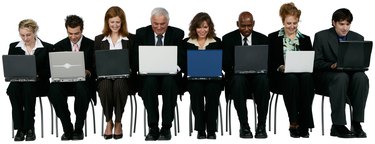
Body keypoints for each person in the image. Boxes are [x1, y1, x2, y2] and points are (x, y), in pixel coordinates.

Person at [313, 8, 368, 138]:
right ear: (333, 23)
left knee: (362, 77)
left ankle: (356, 123)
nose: (345, 28)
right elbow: (316, 63)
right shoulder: (321, 36)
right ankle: (338, 125)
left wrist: (361, 65)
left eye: (348, 24)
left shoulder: (358, 37)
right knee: (341, 77)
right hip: (327, 76)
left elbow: (359, 61)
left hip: (351, 75)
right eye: (341, 24)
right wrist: (332, 65)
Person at [135, 7, 184, 141]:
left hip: (170, 74)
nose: (159, 27)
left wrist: (175, 67)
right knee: (149, 82)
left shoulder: (177, 34)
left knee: (169, 83)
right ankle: (153, 127)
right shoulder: (141, 33)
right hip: (149, 74)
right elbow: (135, 58)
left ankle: (166, 127)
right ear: (151, 22)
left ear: (168, 22)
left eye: (162, 24)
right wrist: (143, 67)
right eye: (155, 24)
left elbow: (182, 58)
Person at [268, 2, 314, 138]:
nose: (292, 26)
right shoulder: (273, 38)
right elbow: (269, 62)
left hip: (303, 76)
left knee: (307, 79)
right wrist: (280, 66)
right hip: (282, 78)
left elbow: (310, 61)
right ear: (283, 21)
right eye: (289, 23)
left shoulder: (305, 39)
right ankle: (294, 122)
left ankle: (304, 123)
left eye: (295, 23)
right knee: (291, 78)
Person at [222, 11, 269, 139]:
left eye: (249, 25)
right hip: (238, 80)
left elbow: (267, 63)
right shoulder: (227, 39)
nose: (246, 29)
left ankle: (261, 125)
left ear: (253, 24)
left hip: (257, 79)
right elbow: (225, 65)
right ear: (238, 24)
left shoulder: (263, 39)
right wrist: (238, 68)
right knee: (238, 80)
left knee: (263, 79)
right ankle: (244, 126)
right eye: (243, 26)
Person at [48, 15, 95, 141]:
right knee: (53, 88)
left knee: (81, 87)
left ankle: (78, 128)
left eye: (76, 33)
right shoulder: (59, 46)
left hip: (83, 83)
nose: (73, 37)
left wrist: (88, 71)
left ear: (82, 30)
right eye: (70, 33)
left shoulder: (92, 45)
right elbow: (54, 68)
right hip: (64, 83)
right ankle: (67, 128)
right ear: (66, 30)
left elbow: (97, 68)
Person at [94, 6, 137, 140]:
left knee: (119, 84)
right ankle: (109, 121)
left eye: (118, 22)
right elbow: (95, 63)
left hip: (124, 78)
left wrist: (129, 69)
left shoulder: (131, 39)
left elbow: (135, 61)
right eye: (112, 22)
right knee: (106, 86)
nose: (115, 25)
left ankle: (118, 122)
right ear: (107, 22)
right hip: (105, 77)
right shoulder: (99, 39)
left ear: (122, 22)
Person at [6, 19, 52, 141]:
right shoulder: (14, 47)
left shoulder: (47, 47)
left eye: (28, 35)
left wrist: (37, 75)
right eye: (22, 35)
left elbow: (49, 71)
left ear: (35, 32)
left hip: (39, 84)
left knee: (28, 87)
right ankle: (20, 128)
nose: (25, 38)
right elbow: (11, 66)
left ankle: (29, 127)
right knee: (12, 89)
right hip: (19, 82)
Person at [181, 12, 223, 140]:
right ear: (194, 28)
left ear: (209, 27)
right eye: (199, 27)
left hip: (213, 78)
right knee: (196, 89)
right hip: (193, 78)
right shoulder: (186, 43)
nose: (202, 30)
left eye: (205, 27)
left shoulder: (217, 41)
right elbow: (182, 64)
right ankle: (200, 129)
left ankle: (211, 129)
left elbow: (221, 62)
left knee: (212, 90)